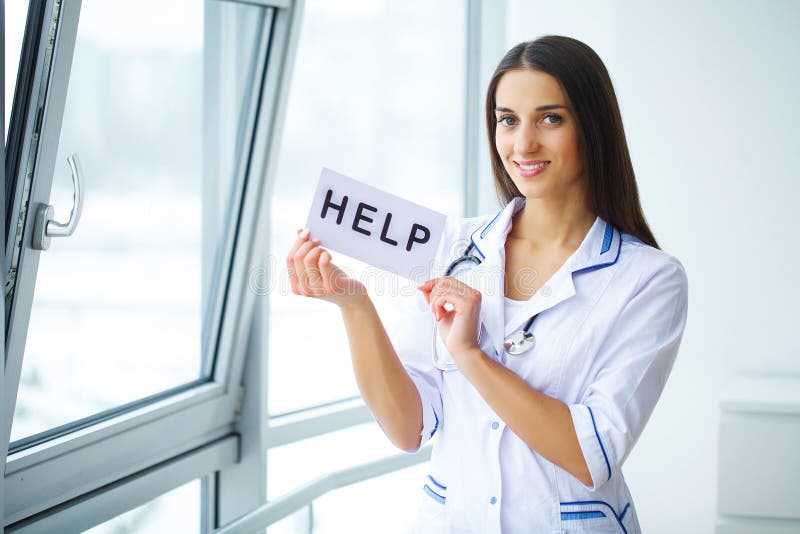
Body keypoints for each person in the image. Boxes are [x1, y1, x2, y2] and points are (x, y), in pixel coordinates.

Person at [286, 35, 688, 534]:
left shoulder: (648, 280)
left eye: (550, 118)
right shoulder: (450, 247)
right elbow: (408, 427)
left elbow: (590, 455)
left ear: (593, 127)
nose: (523, 145)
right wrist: (355, 307)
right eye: (508, 120)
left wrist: (470, 356)